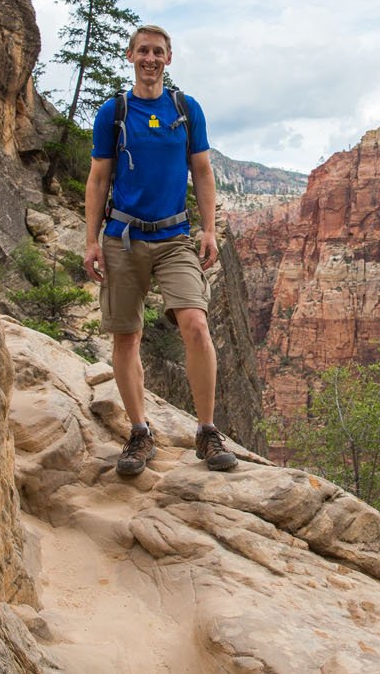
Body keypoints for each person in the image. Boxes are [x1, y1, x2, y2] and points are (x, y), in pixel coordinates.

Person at [83, 24, 237, 475]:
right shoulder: (114, 112)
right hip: (123, 237)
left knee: (196, 325)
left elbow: (203, 173)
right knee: (126, 336)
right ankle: (139, 432)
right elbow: (97, 179)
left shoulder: (185, 109)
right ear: (130, 55)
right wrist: (91, 240)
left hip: (173, 237)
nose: (150, 59)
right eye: (143, 51)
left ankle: (206, 432)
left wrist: (208, 230)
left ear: (169, 59)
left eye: (158, 52)